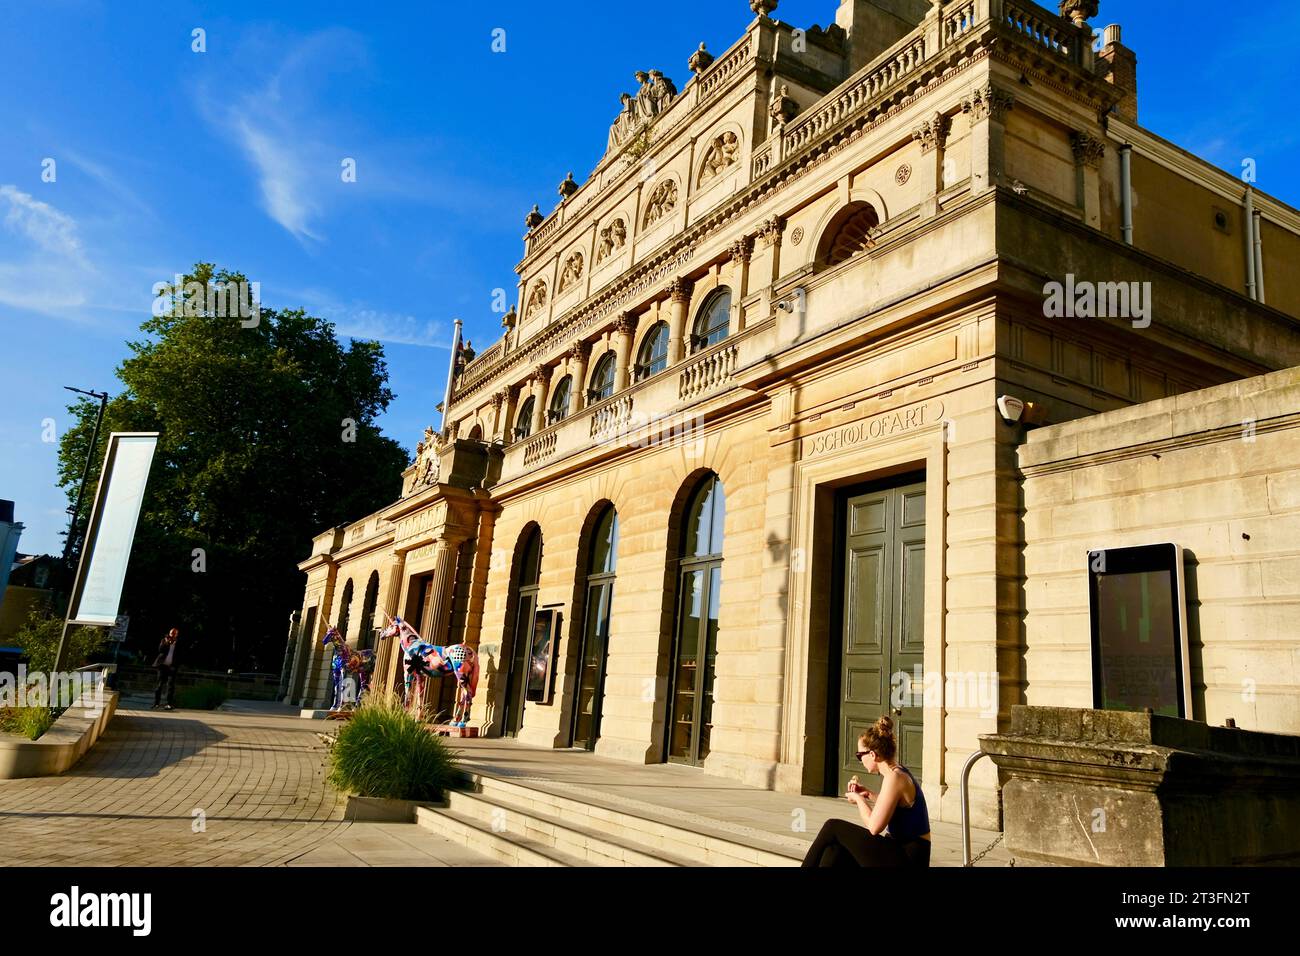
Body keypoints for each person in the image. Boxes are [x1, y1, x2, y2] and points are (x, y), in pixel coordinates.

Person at [801, 716, 931, 867]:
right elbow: (895, 806)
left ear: (872, 755)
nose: (859, 760)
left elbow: (874, 827)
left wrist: (859, 800)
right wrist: (868, 794)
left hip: (908, 857)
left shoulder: (894, 778)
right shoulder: (897, 772)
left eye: (859, 755)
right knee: (834, 852)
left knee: (832, 827)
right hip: (898, 850)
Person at [152, 628, 181, 711]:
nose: (172, 635)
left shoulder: (178, 643)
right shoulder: (164, 640)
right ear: (169, 633)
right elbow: (160, 650)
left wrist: (176, 665)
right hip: (162, 666)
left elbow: (181, 654)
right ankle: (156, 703)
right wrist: (167, 642)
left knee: (171, 685)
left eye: (174, 633)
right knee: (160, 685)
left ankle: (169, 704)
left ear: (177, 634)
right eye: (171, 633)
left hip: (172, 667)